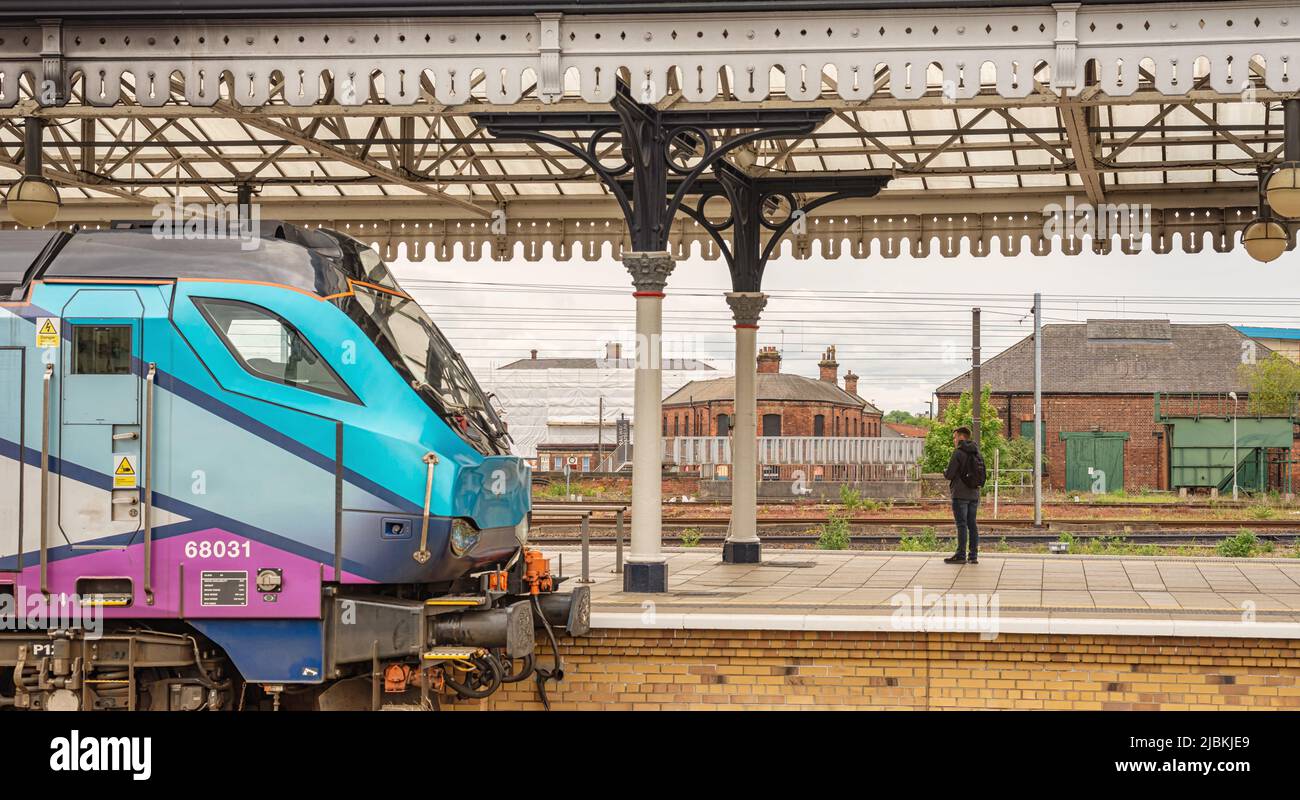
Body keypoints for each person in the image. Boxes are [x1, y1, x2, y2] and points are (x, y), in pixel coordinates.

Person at [943, 426, 983, 564]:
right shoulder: (977, 452)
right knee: (972, 524)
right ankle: (973, 556)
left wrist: (945, 472)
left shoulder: (958, 452)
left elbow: (950, 474)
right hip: (974, 494)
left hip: (960, 494)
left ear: (961, 437)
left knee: (961, 524)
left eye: (955, 437)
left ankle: (960, 555)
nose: (954, 440)